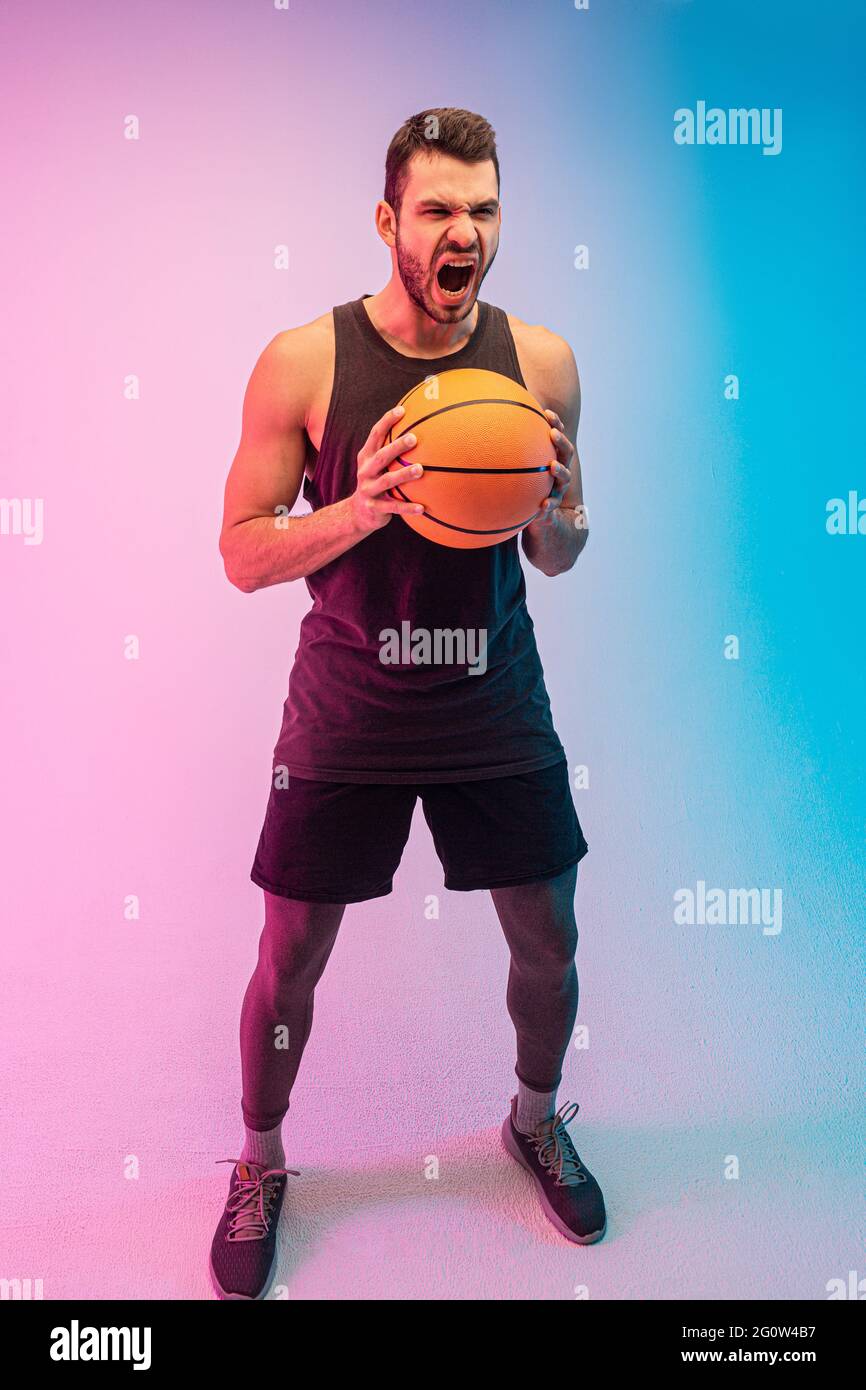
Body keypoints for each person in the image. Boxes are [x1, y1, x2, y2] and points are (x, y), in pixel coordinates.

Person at [210, 108, 605, 1300]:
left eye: (481, 209)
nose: (462, 230)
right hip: (348, 705)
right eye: (436, 208)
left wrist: (560, 506)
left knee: (549, 937)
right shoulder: (305, 361)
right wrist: (363, 506)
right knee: (290, 957)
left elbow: (558, 555)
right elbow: (239, 552)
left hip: (491, 697)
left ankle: (531, 1120)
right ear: (388, 221)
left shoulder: (540, 363)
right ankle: (261, 1159)